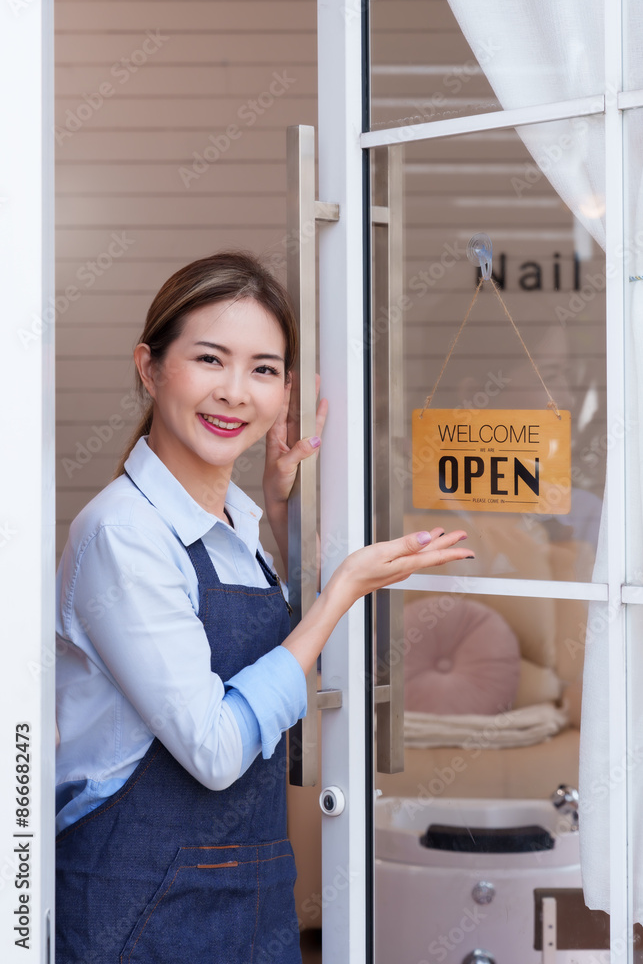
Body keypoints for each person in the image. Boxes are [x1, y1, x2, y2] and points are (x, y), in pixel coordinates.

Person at [55, 250, 474, 964]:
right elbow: (215, 749)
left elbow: (270, 661)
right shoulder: (124, 534)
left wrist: (282, 510)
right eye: (210, 359)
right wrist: (340, 589)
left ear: (285, 394)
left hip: (247, 893)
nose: (235, 392)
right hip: (137, 906)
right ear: (149, 368)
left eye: (263, 369)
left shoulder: (232, 531)